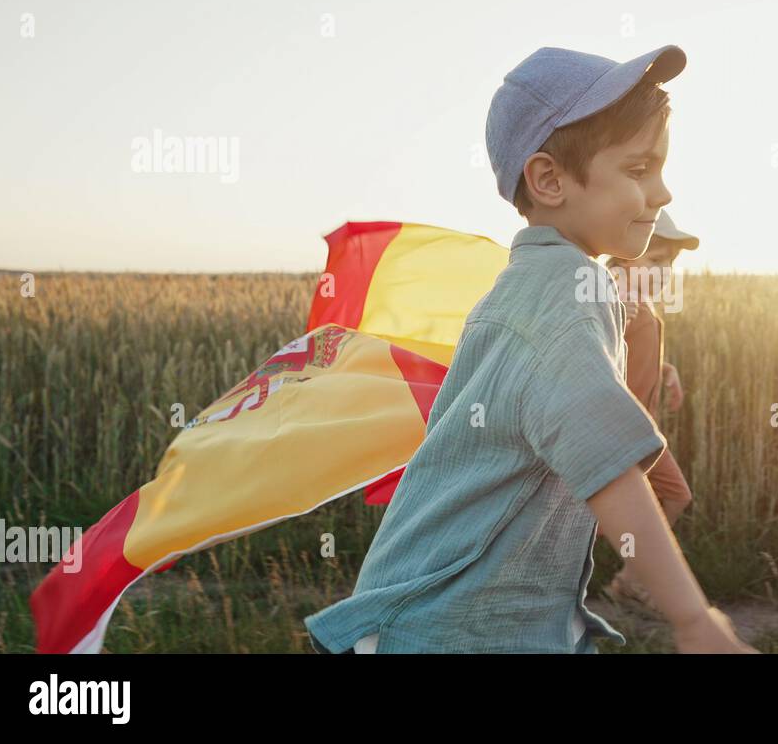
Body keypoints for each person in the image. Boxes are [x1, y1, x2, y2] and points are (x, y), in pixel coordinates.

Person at [303, 45, 754, 653]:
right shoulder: (571, 289)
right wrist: (694, 621)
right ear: (549, 180)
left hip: (450, 621)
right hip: (453, 629)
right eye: (640, 170)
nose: (664, 192)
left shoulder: (529, 288)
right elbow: (607, 463)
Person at [600, 210, 699, 614]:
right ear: (625, 254)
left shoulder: (640, 303)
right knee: (675, 495)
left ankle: (625, 579)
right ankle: (627, 581)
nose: (664, 271)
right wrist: (618, 316)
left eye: (670, 263)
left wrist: (666, 370)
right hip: (628, 430)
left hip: (639, 428)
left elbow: (631, 360)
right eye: (656, 260)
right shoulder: (618, 301)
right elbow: (597, 354)